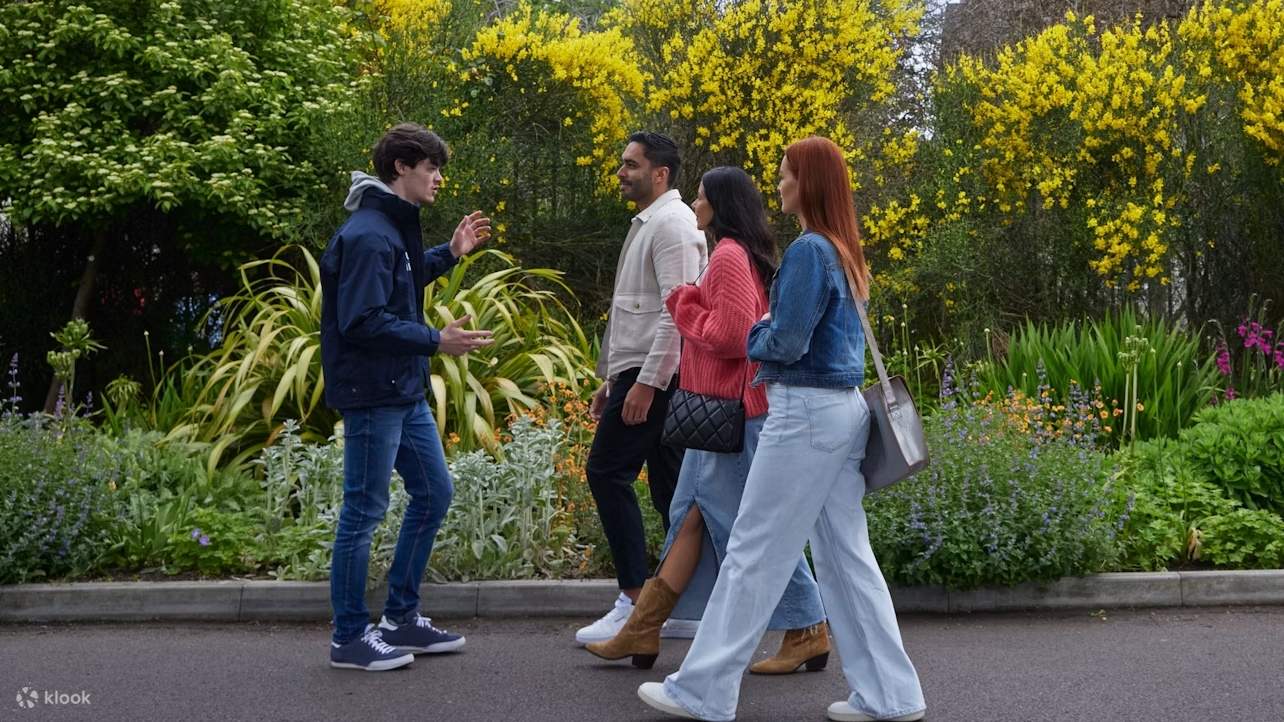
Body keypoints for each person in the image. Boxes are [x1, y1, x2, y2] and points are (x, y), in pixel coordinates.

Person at [637, 137, 927, 722]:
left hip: (803, 415)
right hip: (840, 414)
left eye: (788, 174)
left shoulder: (808, 252)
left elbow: (785, 342)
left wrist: (756, 333)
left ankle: (702, 691)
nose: (780, 183)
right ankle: (892, 696)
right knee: (847, 558)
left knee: (752, 550)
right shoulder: (843, 250)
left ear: (810, 183)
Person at [583, 166, 829, 674]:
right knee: (691, 517)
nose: (694, 205)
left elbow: (734, 335)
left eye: (700, 197)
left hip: (728, 416)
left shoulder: (729, 256)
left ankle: (808, 626)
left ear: (720, 204)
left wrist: (684, 305)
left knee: (741, 525)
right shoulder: (730, 254)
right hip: (712, 415)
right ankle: (644, 628)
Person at [320, 123, 494, 671]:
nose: (438, 178)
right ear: (402, 168)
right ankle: (349, 636)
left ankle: (400, 618)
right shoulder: (370, 233)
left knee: (434, 493)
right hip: (375, 393)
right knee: (363, 512)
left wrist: (450, 253)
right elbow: (363, 320)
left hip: (403, 389)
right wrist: (436, 340)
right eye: (431, 168)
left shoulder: (391, 228)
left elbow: (399, 282)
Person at [574, 132, 708, 646]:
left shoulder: (671, 225)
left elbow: (677, 315)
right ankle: (682, 606)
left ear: (660, 173)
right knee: (672, 493)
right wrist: (614, 378)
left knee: (607, 472)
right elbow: (639, 310)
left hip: (658, 377)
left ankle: (634, 600)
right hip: (644, 374)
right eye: (621, 164)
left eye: (631, 165)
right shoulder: (655, 222)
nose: (621, 172)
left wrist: (646, 383)